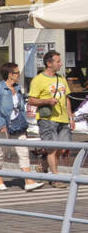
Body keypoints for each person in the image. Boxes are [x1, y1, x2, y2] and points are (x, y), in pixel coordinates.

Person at [0, 62, 43, 192]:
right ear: (9, 74)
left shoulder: (18, 88)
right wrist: (0, 124)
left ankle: (29, 181)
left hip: (18, 124)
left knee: (23, 152)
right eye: (16, 72)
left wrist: (24, 121)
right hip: (4, 125)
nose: (19, 74)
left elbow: (20, 108)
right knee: (0, 153)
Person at [28, 50, 71, 183]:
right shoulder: (38, 79)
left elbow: (67, 98)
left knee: (63, 147)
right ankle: (55, 178)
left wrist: (71, 117)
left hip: (63, 118)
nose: (61, 64)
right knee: (52, 148)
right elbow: (31, 100)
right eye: (58, 61)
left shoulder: (61, 78)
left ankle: (44, 164)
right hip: (47, 119)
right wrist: (46, 101)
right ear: (49, 63)